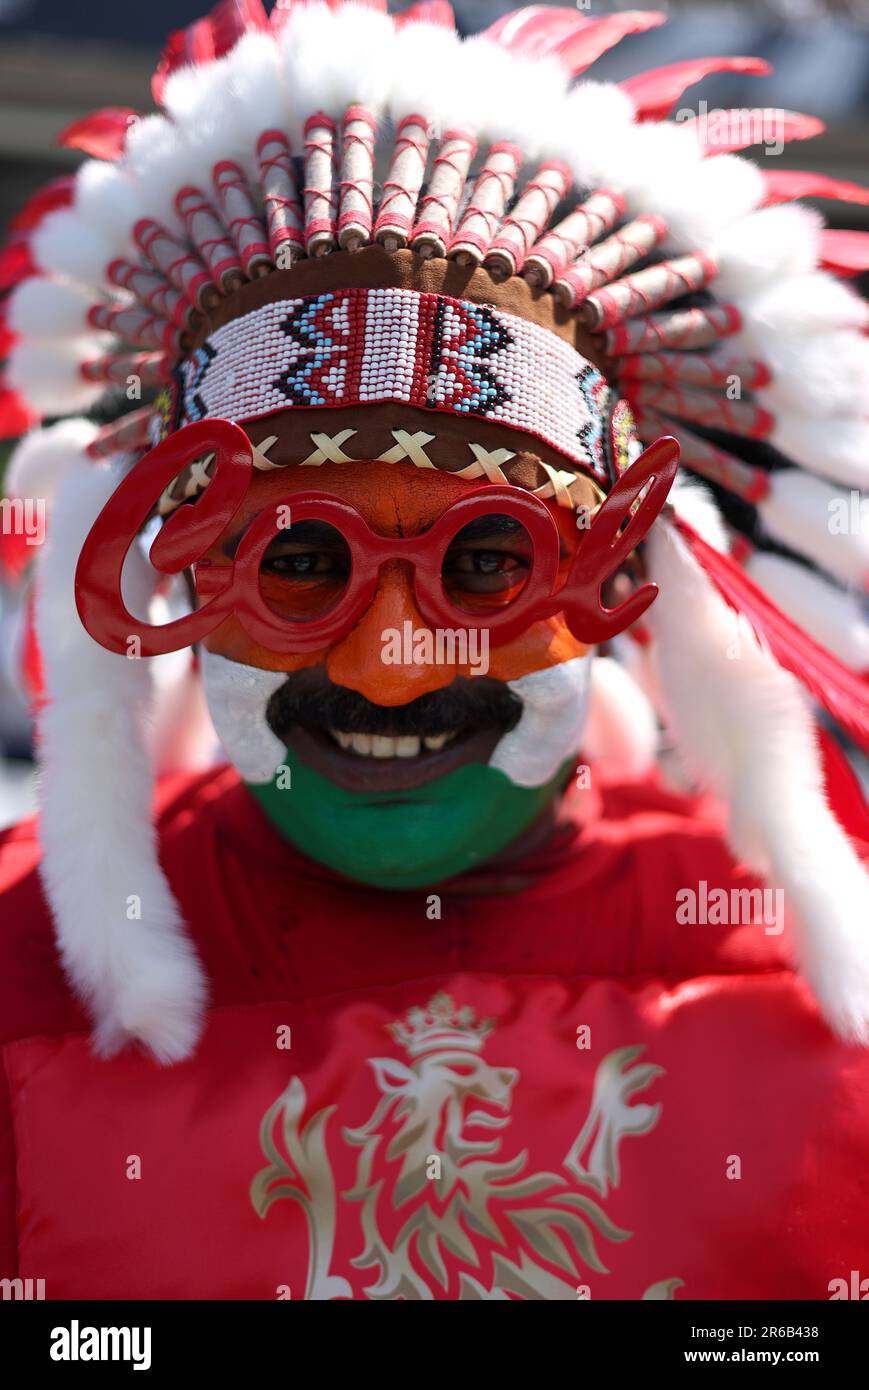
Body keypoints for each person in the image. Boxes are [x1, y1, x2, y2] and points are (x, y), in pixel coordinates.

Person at [1, 0, 869, 1301]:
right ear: (175, 570)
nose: (388, 663)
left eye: (485, 563)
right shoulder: (15, 963)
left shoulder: (802, 992)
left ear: (621, 577)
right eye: (299, 561)